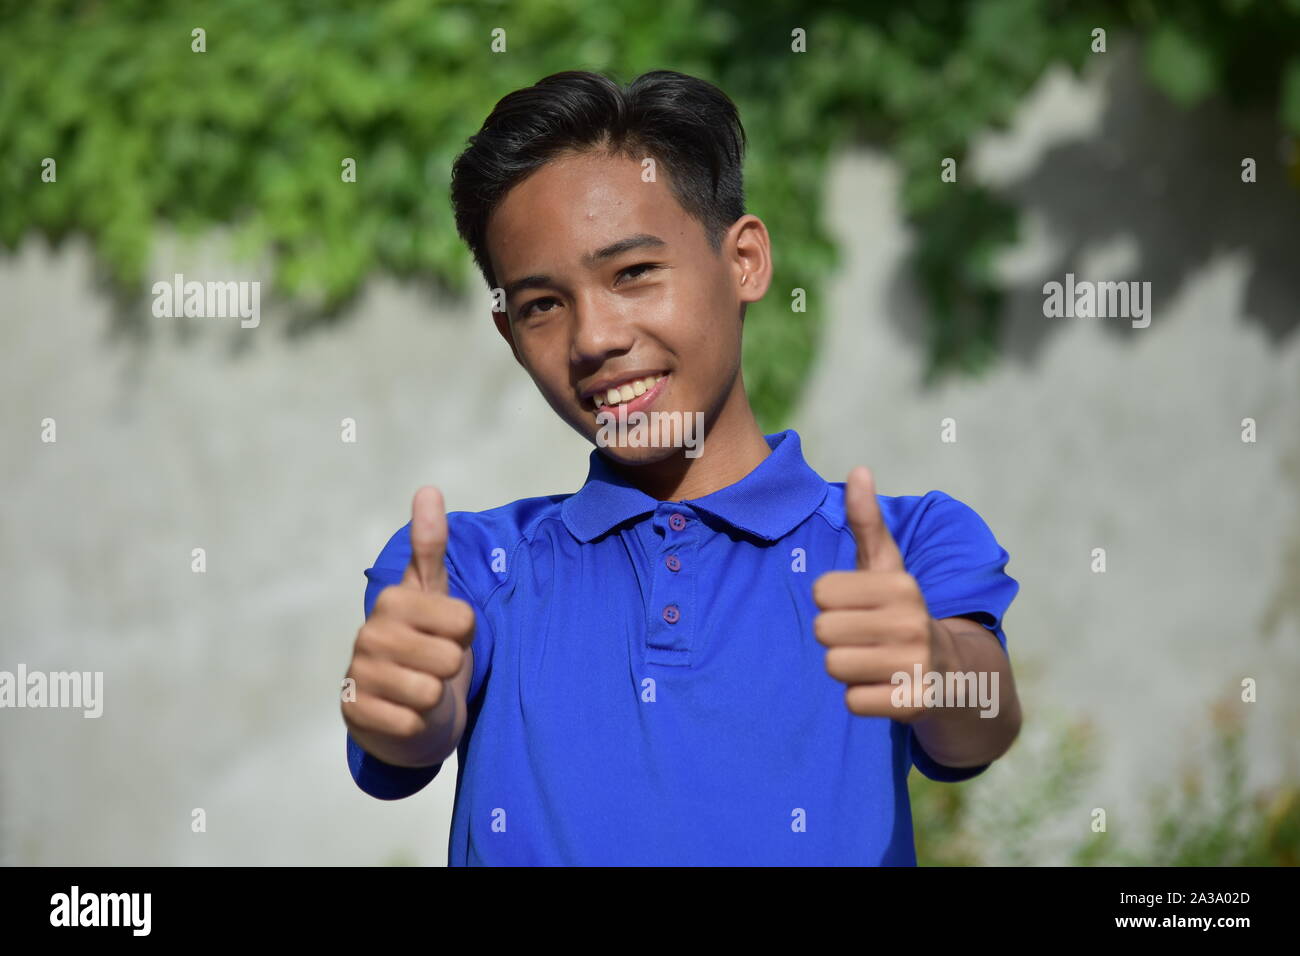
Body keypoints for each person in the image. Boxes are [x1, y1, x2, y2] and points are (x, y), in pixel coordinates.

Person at [341, 69, 1021, 865]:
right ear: (509, 334)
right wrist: (402, 703)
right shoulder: (471, 566)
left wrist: (936, 666)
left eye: (632, 273)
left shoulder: (906, 542)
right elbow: (412, 724)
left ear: (745, 262)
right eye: (541, 304)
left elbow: (986, 718)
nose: (593, 336)